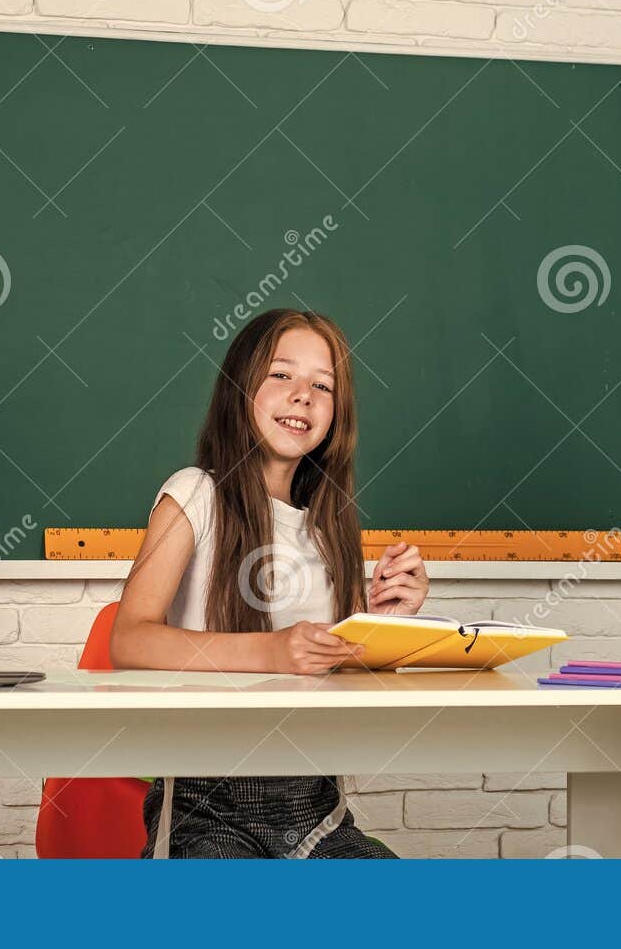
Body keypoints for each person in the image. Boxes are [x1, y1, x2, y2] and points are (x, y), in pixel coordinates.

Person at [109, 308, 429, 858]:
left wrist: (389, 620)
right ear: (240, 388)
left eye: (322, 385)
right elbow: (129, 640)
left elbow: (340, 659)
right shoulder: (194, 496)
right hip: (203, 807)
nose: (302, 395)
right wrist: (273, 650)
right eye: (281, 375)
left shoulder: (329, 526)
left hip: (315, 810)